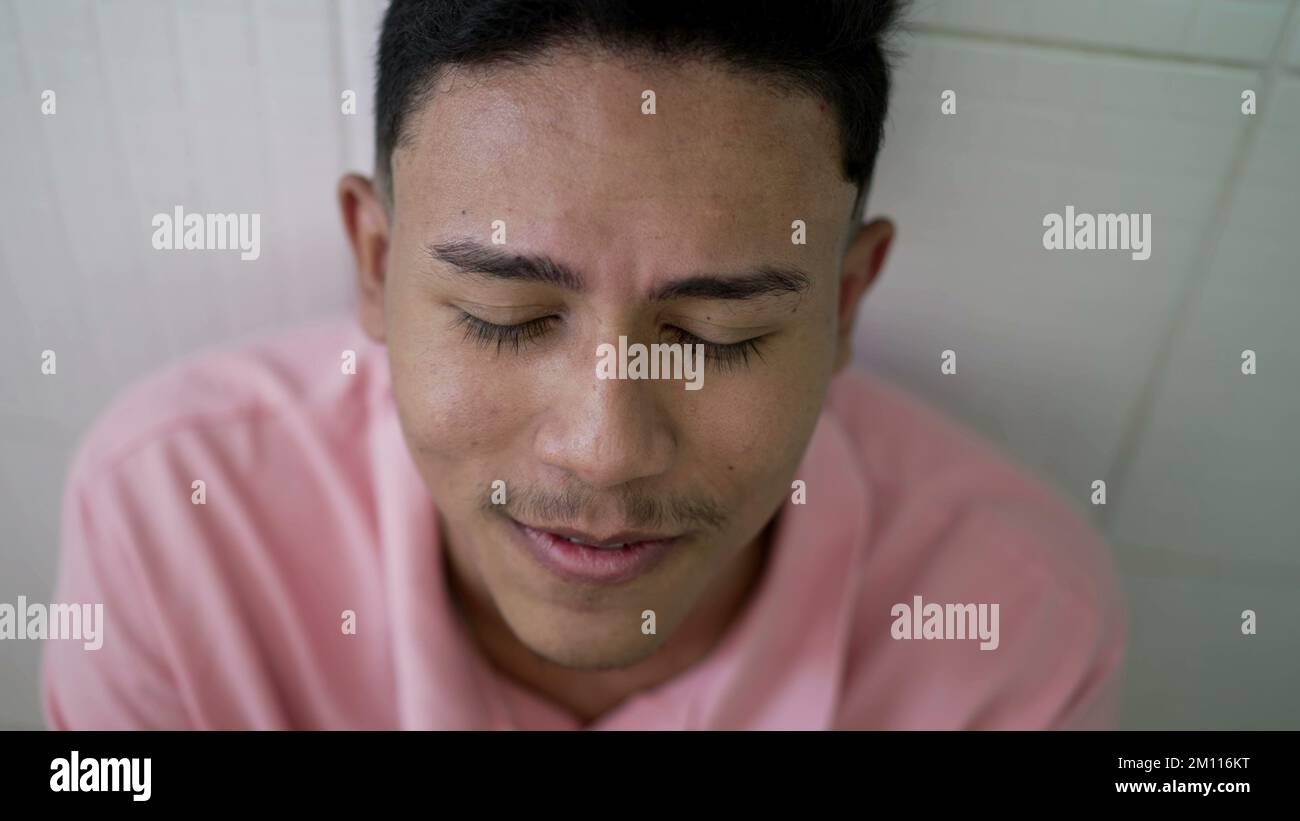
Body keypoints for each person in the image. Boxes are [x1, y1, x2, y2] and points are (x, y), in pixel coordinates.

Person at [42, 0, 1125, 730]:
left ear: (843, 303)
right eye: (505, 317)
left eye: (718, 335)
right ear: (375, 263)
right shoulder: (179, 524)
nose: (604, 451)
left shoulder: (1015, 623)